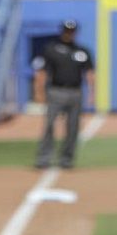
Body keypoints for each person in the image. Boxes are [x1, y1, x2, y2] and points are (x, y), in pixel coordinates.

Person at [33, 20, 94, 170]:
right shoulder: (51, 49)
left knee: (73, 127)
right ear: (62, 31)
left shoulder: (82, 51)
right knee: (49, 125)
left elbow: (90, 73)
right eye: (67, 31)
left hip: (75, 91)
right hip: (56, 91)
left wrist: (92, 92)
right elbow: (42, 72)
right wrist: (39, 91)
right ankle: (44, 158)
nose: (69, 34)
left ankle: (67, 159)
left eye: (72, 31)